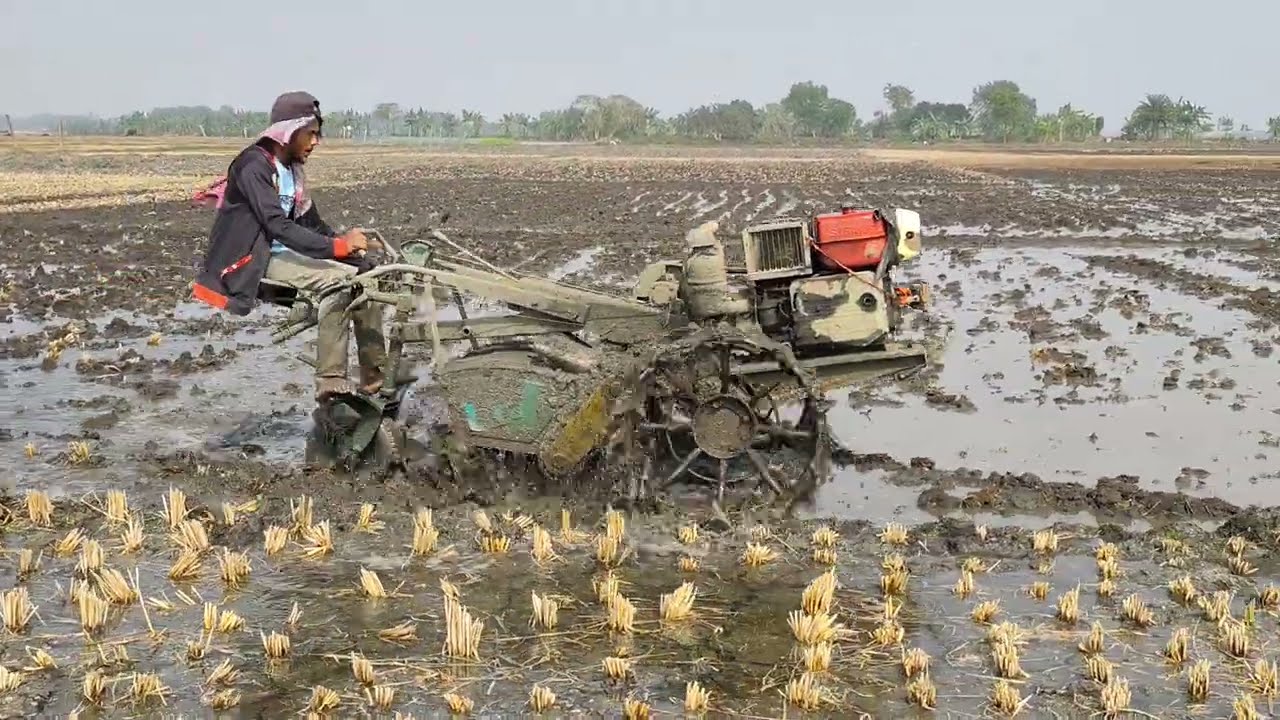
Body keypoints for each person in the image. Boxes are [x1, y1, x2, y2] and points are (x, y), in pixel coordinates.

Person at [191, 91, 388, 399]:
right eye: (310, 134)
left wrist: (353, 254)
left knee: (365, 280)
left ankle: (376, 379)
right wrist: (337, 249)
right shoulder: (253, 166)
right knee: (336, 284)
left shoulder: (293, 173)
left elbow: (312, 225)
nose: (315, 142)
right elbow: (276, 225)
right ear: (289, 131)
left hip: (282, 252)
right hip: (251, 258)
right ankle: (330, 379)